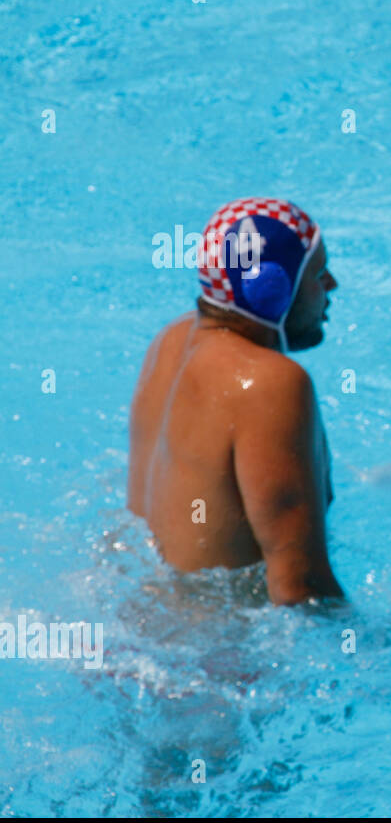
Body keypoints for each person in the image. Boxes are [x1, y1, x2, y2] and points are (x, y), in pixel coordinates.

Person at [127, 197, 343, 604]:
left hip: (144, 617)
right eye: (317, 273)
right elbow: (302, 588)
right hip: (218, 658)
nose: (331, 285)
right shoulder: (269, 384)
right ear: (272, 286)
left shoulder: (170, 341)